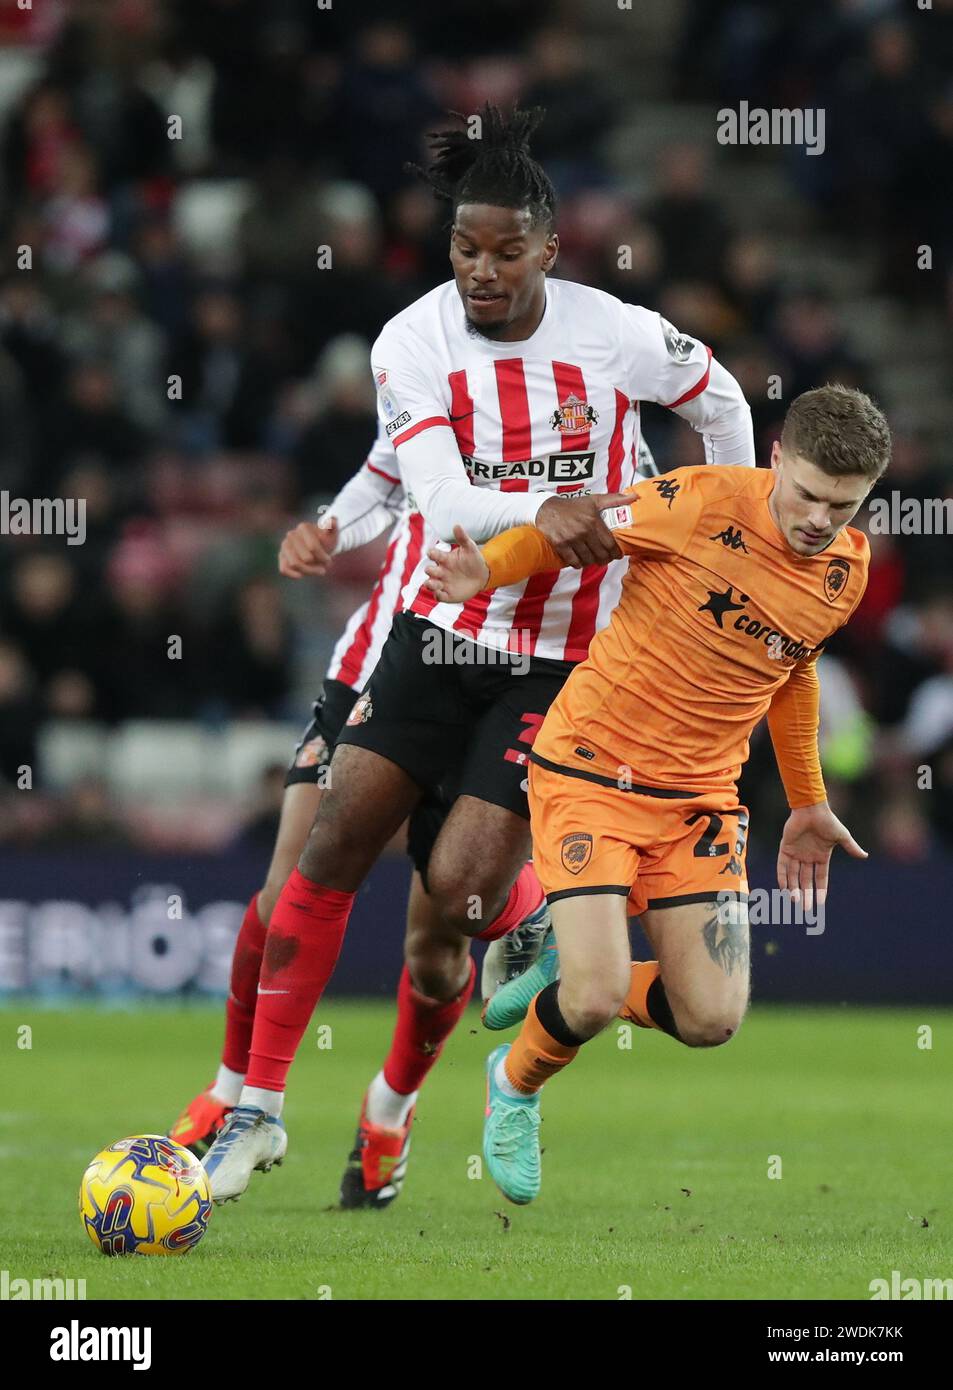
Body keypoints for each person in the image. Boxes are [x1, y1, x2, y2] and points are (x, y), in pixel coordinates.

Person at [201, 103, 754, 1204]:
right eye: (465, 248)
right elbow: (442, 498)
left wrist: (715, 547)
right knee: (329, 849)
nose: (482, 271)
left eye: (506, 251)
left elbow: (723, 402)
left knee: (453, 893)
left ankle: (499, 963)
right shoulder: (409, 341)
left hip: (569, 662)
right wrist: (552, 506)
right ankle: (255, 1110)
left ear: (550, 246)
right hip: (445, 630)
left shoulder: (618, 332)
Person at [423, 383, 888, 1204]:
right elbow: (576, 532)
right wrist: (481, 572)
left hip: (699, 801)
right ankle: (517, 1084)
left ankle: (574, 952)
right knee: (596, 1000)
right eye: (808, 494)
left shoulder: (843, 571)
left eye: (842, 506)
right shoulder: (697, 501)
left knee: (709, 1019)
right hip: (590, 769)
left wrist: (807, 801)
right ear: (775, 459)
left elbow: (792, 668)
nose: (820, 519)